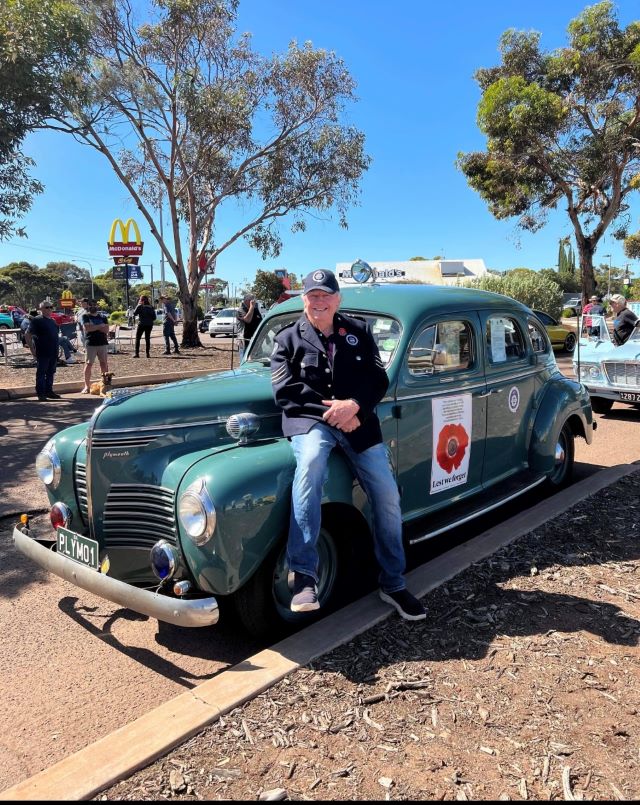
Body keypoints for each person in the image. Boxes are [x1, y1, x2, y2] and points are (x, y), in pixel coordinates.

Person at [270, 269, 426, 622]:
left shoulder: (359, 332)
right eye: (313, 295)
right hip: (311, 422)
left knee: (387, 494)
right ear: (304, 300)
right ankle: (304, 576)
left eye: (326, 295)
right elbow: (285, 392)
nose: (319, 301)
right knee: (310, 466)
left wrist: (355, 406)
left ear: (337, 299)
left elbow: (377, 379)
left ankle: (393, 582)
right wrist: (335, 413)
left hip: (359, 423)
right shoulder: (287, 338)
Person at [25, 301, 62, 400]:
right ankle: (41, 394)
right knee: (41, 373)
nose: (49, 309)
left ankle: (49, 391)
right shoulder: (37, 320)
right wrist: (32, 349)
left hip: (53, 352)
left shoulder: (52, 321)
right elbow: (27, 334)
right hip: (42, 351)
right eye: (46, 307)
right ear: (41, 309)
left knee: (51, 372)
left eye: (51, 307)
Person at [81, 299, 110, 393]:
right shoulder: (85, 316)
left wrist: (94, 327)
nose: (92, 306)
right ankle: (86, 386)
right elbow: (87, 328)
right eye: (90, 305)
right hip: (91, 343)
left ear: (97, 306)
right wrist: (100, 326)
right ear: (88, 306)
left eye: (94, 304)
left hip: (102, 343)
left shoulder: (103, 317)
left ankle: (105, 385)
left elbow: (106, 330)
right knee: (89, 364)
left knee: (104, 364)